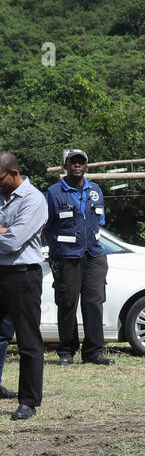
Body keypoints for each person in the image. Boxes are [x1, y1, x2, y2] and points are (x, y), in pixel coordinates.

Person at [45, 148, 112, 366]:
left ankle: (94, 352)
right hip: (67, 258)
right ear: (65, 166)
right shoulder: (54, 193)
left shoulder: (95, 190)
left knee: (94, 303)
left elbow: (97, 222)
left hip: (94, 255)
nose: (77, 165)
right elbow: (46, 227)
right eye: (72, 162)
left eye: (80, 162)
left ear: (85, 166)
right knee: (67, 303)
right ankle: (67, 351)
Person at [0, 152, 48, 421]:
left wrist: (6, 232)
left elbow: (14, 241)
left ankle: (28, 401)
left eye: (0, 180)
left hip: (23, 276)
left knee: (28, 340)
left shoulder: (34, 199)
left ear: (14, 172)